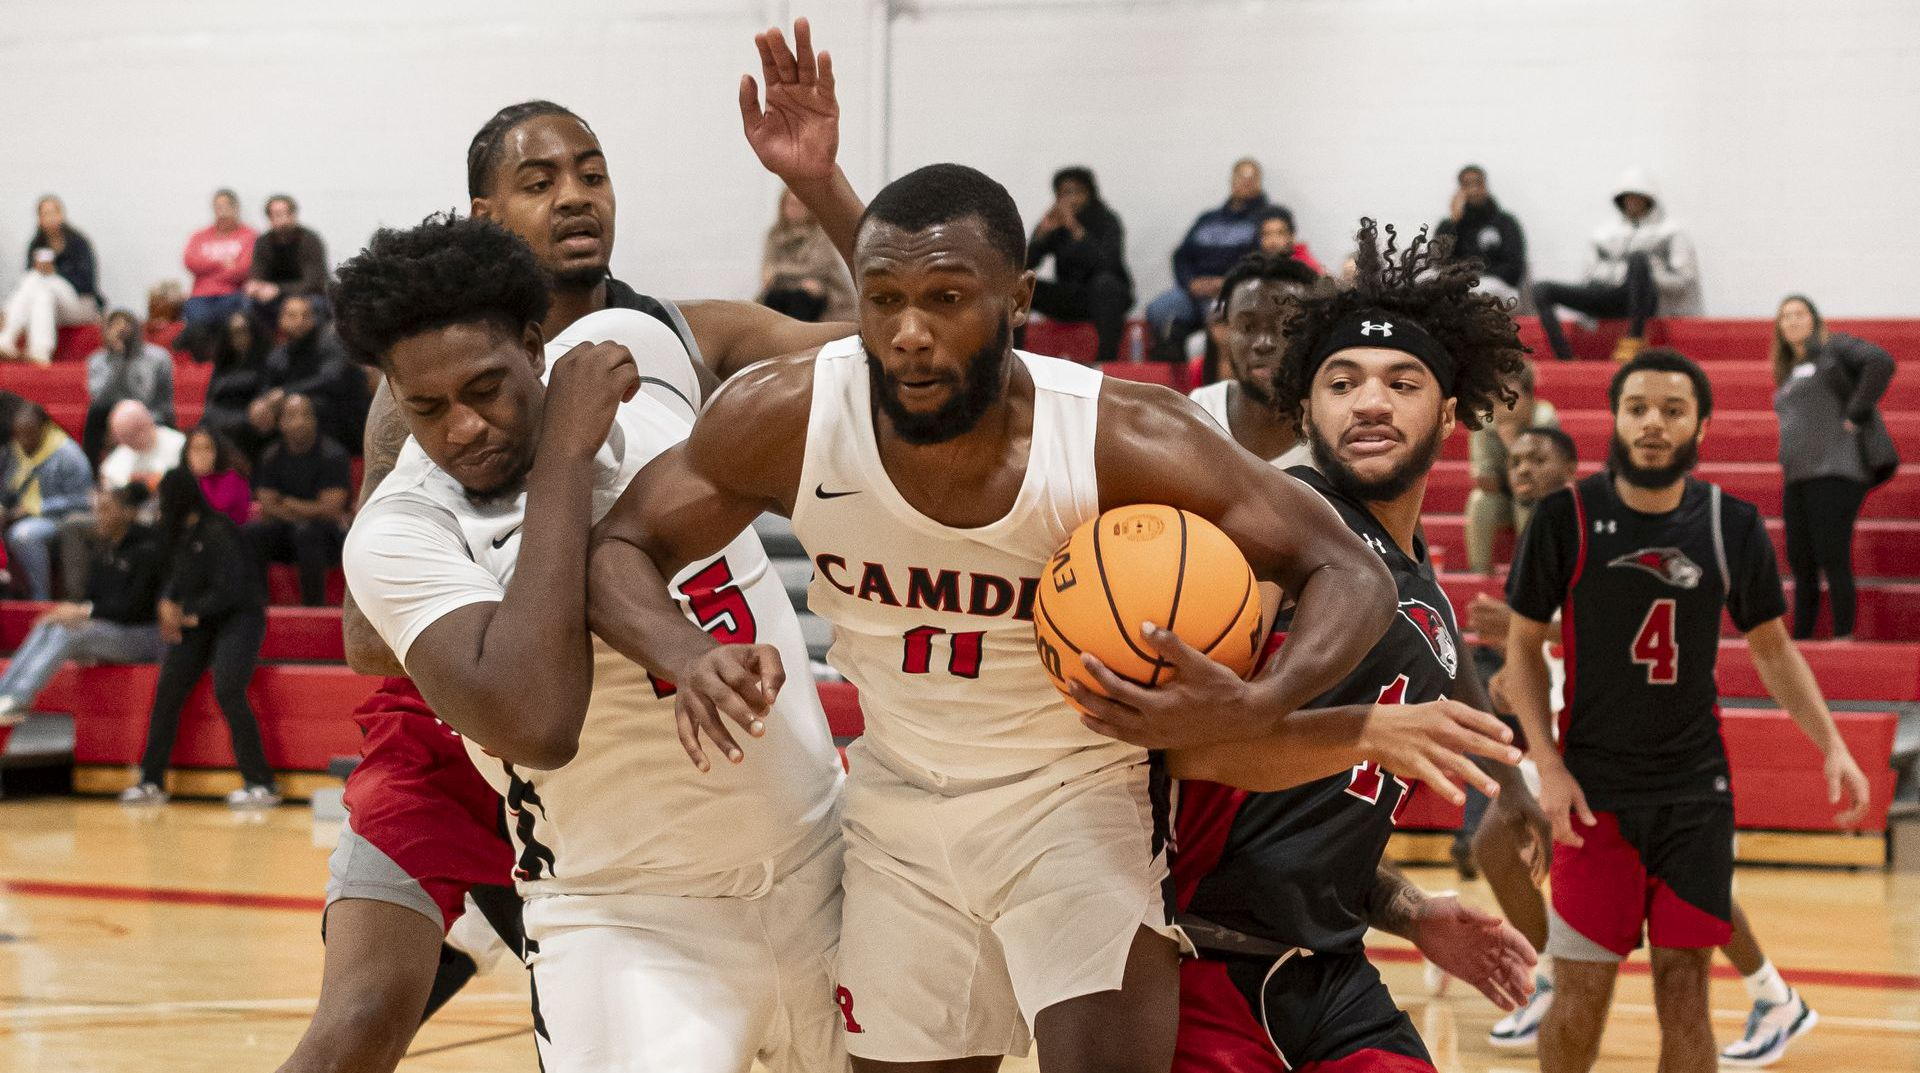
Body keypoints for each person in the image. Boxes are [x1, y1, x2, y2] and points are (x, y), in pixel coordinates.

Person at [589, 149, 1523, 1070]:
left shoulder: (1123, 433)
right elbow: (618, 550)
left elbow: (1346, 570)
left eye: (947, 300)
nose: (910, 331)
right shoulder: (787, 415)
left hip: (1078, 802)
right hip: (896, 809)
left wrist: (1261, 696)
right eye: (883, 301)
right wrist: (682, 646)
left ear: (1019, 303)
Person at [283, 42, 864, 1070]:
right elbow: (395, 647)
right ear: (482, 216)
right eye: (539, 180)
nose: (574, 197)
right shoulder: (412, 430)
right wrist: (558, 474)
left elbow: (910, 349)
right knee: (361, 1019)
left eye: (590, 173)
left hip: (802, 839)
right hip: (468, 717)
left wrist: (819, 183)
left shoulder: (671, 345)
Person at [1162, 219, 1535, 1073]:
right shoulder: (1269, 534)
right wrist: (1365, 731)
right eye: (1343, 381)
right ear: (1305, 409)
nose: (1371, 402)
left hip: (1330, 976)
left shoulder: (1428, 596)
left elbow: (1305, 826)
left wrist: (1411, 910)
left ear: (1449, 410)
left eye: (1402, 382)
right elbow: (1183, 747)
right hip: (1199, 965)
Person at [1502, 348, 1872, 1073]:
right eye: (1637, 407)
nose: (1652, 422)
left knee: (1685, 986)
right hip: (1591, 794)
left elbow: (1772, 648)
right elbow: (1520, 650)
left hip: (1696, 794)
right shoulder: (1565, 518)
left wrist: (1832, 742)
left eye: (1672, 411)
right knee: (1579, 992)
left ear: (1700, 426)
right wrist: (1546, 766)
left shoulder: (1730, 525)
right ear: (1615, 418)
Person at [119, 466, 279, 809]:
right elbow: (178, 579)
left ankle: (261, 783)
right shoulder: (181, 536)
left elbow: (233, 589)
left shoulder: (218, 530)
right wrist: (168, 600)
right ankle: (151, 781)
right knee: (168, 689)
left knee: (228, 688)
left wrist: (187, 610)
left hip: (240, 617)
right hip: (202, 619)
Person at [1772, 294, 1897, 640]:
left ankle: (1843, 637)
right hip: (1797, 475)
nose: (1792, 321)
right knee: (1800, 561)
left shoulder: (1835, 348)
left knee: (1832, 554)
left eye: (1799, 314)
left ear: (1814, 318)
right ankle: (1802, 641)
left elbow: (1881, 362)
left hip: (1835, 470)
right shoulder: (1789, 370)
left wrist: (1855, 413)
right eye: (1785, 317)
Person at [0, 482, 165, 722]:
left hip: (145, 636)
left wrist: (84, 612)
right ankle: (5, 693)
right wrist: (79, 611)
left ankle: (18, 700)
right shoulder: (104, 549)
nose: (99, 516)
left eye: (106, 509)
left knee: (70, 633)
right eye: (97, 509)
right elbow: (94, 596)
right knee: (50, 624)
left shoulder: (148, 550)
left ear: (128, 513)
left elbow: (135, 609)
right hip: (113, 628)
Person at [1531, 170, 1697, 362]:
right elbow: (1589, 274)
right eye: (1628, 198)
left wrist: (1648, 272)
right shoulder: (1604, 234)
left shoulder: (1670, 232)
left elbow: (1683, 280)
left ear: (1649, 199)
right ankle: (1565, 356)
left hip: (1643, 299)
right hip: (1607, 294)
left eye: (1638, 197)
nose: (1632, 202)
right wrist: (1616, 272)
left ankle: (1634, 339)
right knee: (1541, 289)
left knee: (1638, 258)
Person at [1187, 252, 1319, 465]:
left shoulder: (1331, 429)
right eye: (1247, 326)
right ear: (1226, 332)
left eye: (1287, 326)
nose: (1264, 343)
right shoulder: (1201, 409)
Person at [57, 400, 185, 598]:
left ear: (148, 422)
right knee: (73, 525)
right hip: (125, 520)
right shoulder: (115, 461)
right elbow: (108, 499)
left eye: (135, 432)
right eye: (124, 437)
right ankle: (80, 600)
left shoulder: (179, 445)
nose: (131, 440)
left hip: (167, 518)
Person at [1144, 158, 1272, 354]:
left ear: (1259, 182)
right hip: (1195, 288)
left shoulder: (1267, 219)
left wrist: (1226, 282)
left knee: (1218, 317)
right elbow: (1181, 255)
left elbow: (1262, 259)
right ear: (1232, 180)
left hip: (1233, 290)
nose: (1246, 182)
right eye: (1241, 176)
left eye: (1251, 177)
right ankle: (1172, 354)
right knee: (1159, 309)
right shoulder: (1207, 219)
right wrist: (1190, 283)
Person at [244, 394, 351, 607]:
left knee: (306, 532)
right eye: (292, 416)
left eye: (305, 415)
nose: (299, 421)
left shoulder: (333, 455)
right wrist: (307, 509)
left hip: (327, 537)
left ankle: (314, 608)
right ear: (281, 423)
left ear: (314, 420)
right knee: (252, 533)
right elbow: (267, 505)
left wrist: (288, 503)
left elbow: (331, 510)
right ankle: (256, 606)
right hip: (287, 533)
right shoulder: (271, 456)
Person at [1024, 165, 1134, 363]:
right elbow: (1025, 265)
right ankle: (1014, 355)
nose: (1071, 199)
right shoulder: (1055, 223)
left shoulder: (1107, 220)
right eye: (1064, 193)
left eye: (1076, 192)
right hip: (1071, 297)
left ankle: (1105, 362)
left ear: (1089, 193)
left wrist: (1075, 229)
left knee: (1105, 284)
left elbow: (1106, 263)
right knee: (1023, 286)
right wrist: (1041, 234)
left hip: (1106, 297)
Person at [1463, 359, 1559, 574]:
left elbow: (1542, 480)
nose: (1504, 403)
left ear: (1529, 397)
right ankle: (1479, 572)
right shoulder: (1485, 420)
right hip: (1504, 495)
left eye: (1512, 397)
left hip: (1541, 499)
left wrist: (1513, 444)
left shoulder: (1544, 419)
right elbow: (1485, 477)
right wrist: (1485, 475)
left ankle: (1531, 573)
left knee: (1526, 498)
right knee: (1480, 501)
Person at [250, 295, 371, 453]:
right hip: (302, 410)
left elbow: (332, 380)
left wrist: (286, 392)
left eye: (305, 315)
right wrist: (261, 404)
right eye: (292, 316)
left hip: (341, 414)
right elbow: (268, 387)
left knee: (300, 409)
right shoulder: (278, 354)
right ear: (280, 320)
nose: (299, 320)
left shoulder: (329, 340)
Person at [3, 403, 93, 599]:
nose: (23, 441)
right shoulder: (16, 450)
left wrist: (34, 508)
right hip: (21, 514)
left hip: (59, 519)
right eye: (19, 434)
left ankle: (40, 597)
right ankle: (9, 592)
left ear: (44, 428)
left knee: (24, 535)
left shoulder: (68, 454)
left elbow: (83, 501)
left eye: (29, 434)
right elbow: (6, 486)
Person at [83, 309, 176, 462]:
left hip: (152, 412)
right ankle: (92, 473)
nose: (122, 332)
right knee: (95, 413)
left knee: (130, 419)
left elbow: (145, 396)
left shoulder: (157, 357)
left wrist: (128, 359)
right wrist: (118, 359)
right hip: (111, 414)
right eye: (115, 327)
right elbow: (98, 397)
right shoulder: (97, 360)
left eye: (126, 326)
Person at [759, 188, 857, 322]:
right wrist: (790, 280)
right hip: (784, 291)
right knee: (773, 300)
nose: (795, 209)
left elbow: (818, 268)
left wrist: (779, 271)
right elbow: (768, 271)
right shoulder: (774, 235)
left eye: (799, 204)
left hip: (824, 295)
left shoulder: (821, 234)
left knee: (805, 296)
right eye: (791, 204)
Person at [1436, 165, 1527, 302]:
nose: (1474, 190)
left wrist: (1477, 276)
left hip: (1499, 286)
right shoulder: (1450, 225)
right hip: (1460, 285)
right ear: (1460, 189)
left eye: (1478, 183)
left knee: (1484, 290)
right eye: (1467, 185)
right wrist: (1453, 223)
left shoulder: (1505, 222)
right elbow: (1439, 261)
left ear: (1485, 185)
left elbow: (1514, 267)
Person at [0, 249, 96, 365]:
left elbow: (76, 297)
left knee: (43, 289)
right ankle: (32, 348)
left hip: (74, 308)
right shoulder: (33, 278)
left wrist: (7, 310)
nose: (42, 265)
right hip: (43, 309)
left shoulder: (61, 278)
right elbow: (19, 298)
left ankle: (14, 341)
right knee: (36, 284)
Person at [245, 194, 328, 323]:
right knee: (248, 304)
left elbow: (314, 282)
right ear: (269, 218)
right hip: (272, 296)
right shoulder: (263, 242)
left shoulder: (310, 240)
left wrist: (279, 289)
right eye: (277, 214)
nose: (283, 219)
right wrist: (255, 285)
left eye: (286, 213)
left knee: (316, 305)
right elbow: (257, 272)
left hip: (306, 294)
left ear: (294, 215)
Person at [182, 188, 257, 329]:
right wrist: (220, 264)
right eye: (217, 206)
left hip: (233, 293)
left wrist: (206, 274)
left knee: (232, 321)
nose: (221, 211)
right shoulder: (200, 236)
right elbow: (190, 262)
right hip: (200, 296)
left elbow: (243, 269)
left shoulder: (249, 235)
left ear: (236, 208)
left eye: (226, 206)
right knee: (197, 324)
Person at [203, 310, 274, 456]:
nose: (238, 338)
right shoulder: (223, 364)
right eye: (233, 333)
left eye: (242, 331)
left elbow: (264, 396)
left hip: (249, 419)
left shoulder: (268, 360)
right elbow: (211, 398)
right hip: (220, 418)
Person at [27, 195, 102, 306]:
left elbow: (87, 283)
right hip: (42, 294)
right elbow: (28, 275)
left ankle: (10, 321)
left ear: (61, 214)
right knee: (36, 286)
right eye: (45, 214)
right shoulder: (36, 244)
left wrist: (54, 272)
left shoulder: (78, 243)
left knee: (44, 294)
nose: (50, 218)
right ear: (39, 219)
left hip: (76, 296)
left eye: (53, 213)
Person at [184, 424, 252, 526]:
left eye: (207, 449)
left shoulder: (233, 477)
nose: (201, 455)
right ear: (186, 454)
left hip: (230, 536)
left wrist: (201, 478)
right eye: (195, 448)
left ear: (218, 451)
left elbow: (214, 512)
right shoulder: (184, 478)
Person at [1253, 206, 1325, 275]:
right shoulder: (1254, 266)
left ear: (1292, 236)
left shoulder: (1309, 268)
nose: (1273, 241)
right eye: (1266, 234)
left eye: (1280, 233)